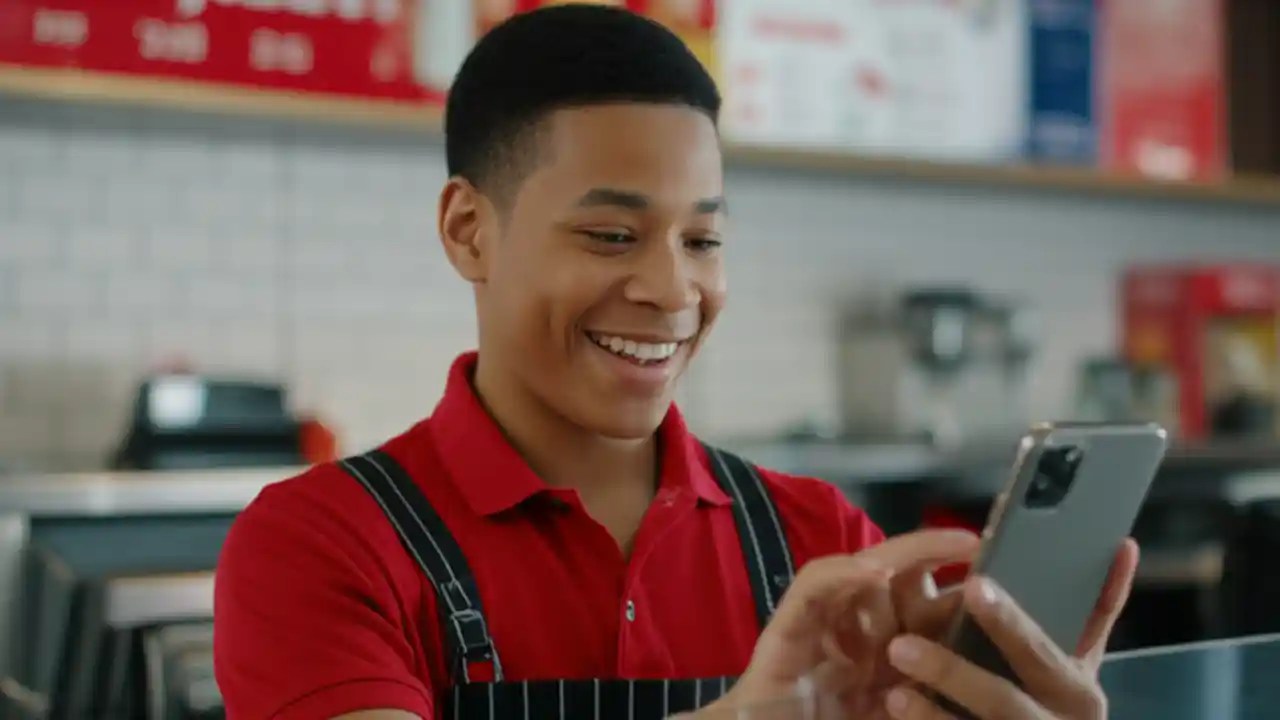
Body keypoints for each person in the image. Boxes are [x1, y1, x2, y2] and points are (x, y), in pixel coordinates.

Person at [212, 6, 1139, 720]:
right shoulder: (321, 546)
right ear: (467, 230)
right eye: (612, 235)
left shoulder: (828, 546)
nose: (672, 289)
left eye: (703, 239)